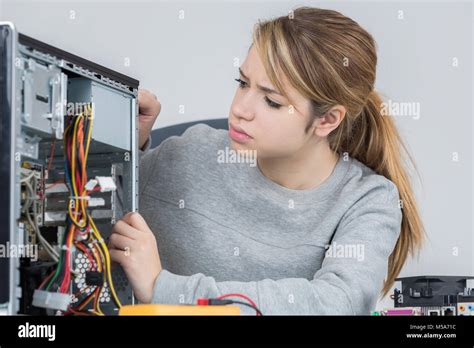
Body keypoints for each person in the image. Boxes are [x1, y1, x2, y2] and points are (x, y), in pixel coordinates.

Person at [108, 6, 425, 315]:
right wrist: (125, 144)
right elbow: (91, 214)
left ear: (327, 120)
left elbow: (337, 304)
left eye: (272, 101)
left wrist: (163, 287)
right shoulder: (187, 154)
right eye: (242, 83)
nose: (241, 109)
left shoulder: (366, 201)